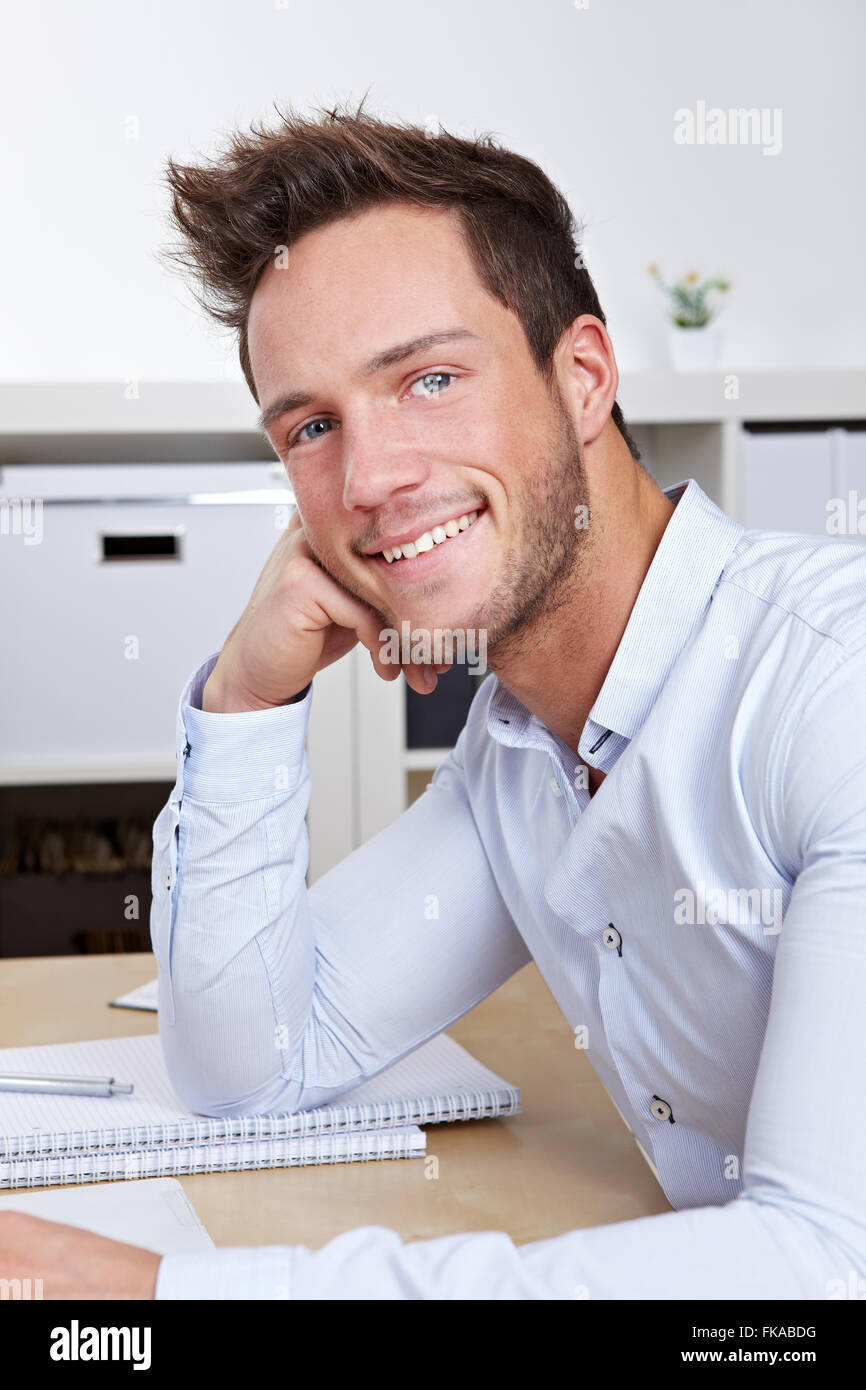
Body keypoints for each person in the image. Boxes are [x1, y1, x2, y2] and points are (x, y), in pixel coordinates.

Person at [3, 102, 864, 1300]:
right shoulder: (517, 754)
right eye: (311, 425)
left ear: (582, 377)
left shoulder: (833, 688)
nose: (368, 481)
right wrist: (249, 694)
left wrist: (170, 1298)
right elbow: (249, 1067)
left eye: (429, 378)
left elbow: (823, 1266)